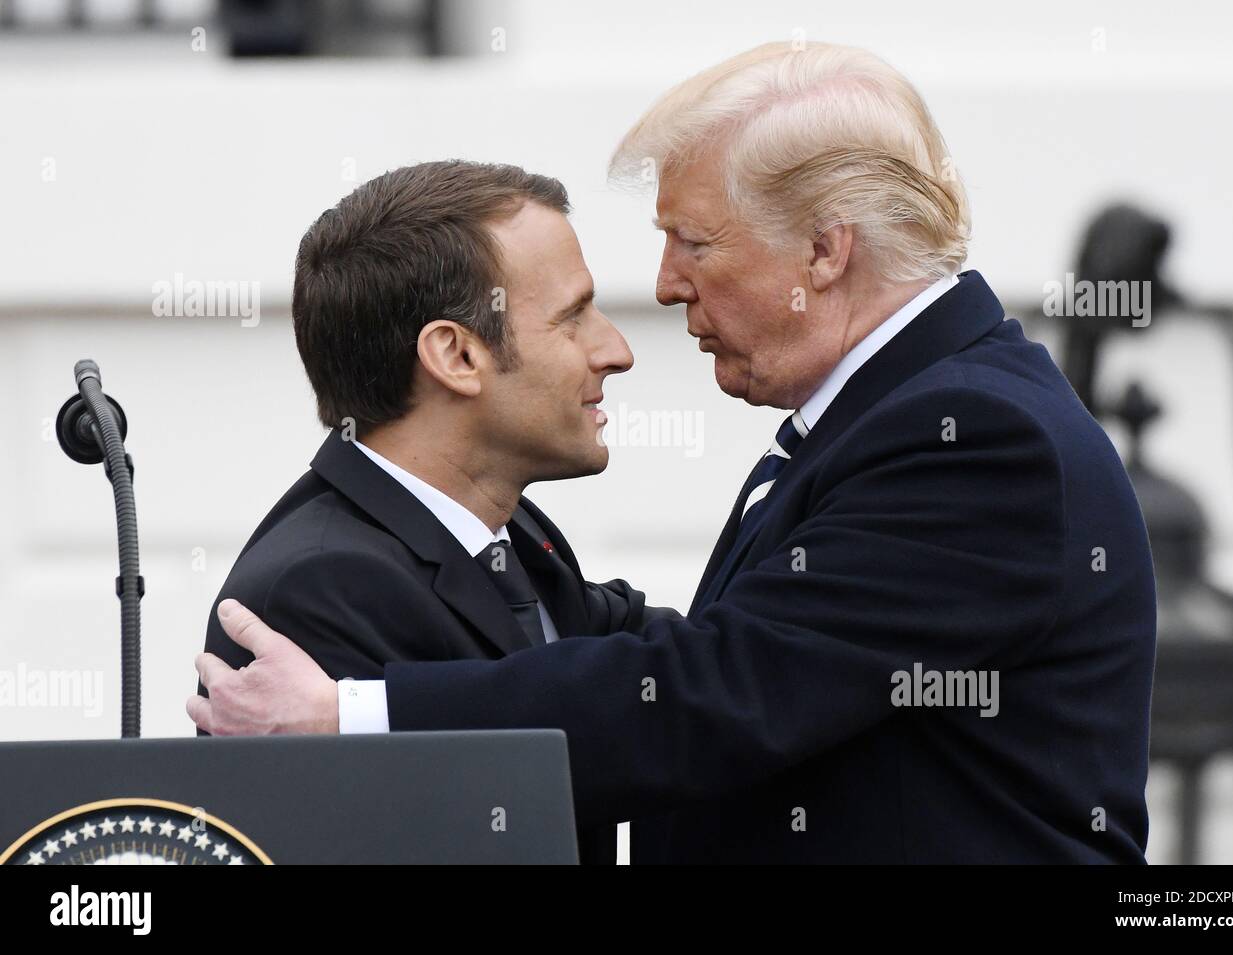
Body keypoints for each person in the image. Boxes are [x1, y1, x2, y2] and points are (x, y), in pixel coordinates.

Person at [191, 42, 1157, 864]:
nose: (663, 287)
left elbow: (723, 687)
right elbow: (707, 659)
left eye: (693, 241)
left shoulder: (974, 436)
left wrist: (355, 717)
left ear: (824, 252)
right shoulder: (910, 411)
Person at [198, 159, 666, 864]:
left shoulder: (509, 534)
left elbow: (679, 673)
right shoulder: (318, 589)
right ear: (456, 355)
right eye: (572, 318)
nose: (615, 351)